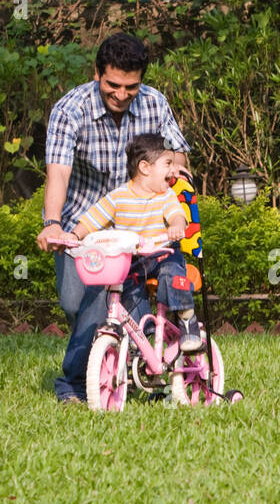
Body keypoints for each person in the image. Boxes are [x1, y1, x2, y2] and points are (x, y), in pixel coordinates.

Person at [36, 34, 189, 403]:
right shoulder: (70, 109)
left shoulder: (154, 104)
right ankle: (99, 368)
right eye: (113, 85)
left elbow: (178, 157)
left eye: (130, 87)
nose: (121, 95)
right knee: (78, 305)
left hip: (137, 232)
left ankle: (94, 383)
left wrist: (174, 176)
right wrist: (52, 223)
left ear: (142, 80)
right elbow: (58, 173)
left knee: (123, 308)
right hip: (84, 228)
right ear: (96, 74)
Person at [67, 133, 203, 353]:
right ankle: (137, 342)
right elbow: (93, 218)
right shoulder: (118, 197)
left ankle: (187, 319)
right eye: (168, 163)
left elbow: (177, 214)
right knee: (126, 292)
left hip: (164, 254)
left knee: (174, 277)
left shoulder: (166, 195)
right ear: (145, 168)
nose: (173, 170)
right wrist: (75, 235)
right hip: (133, 260)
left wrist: (176, 226)